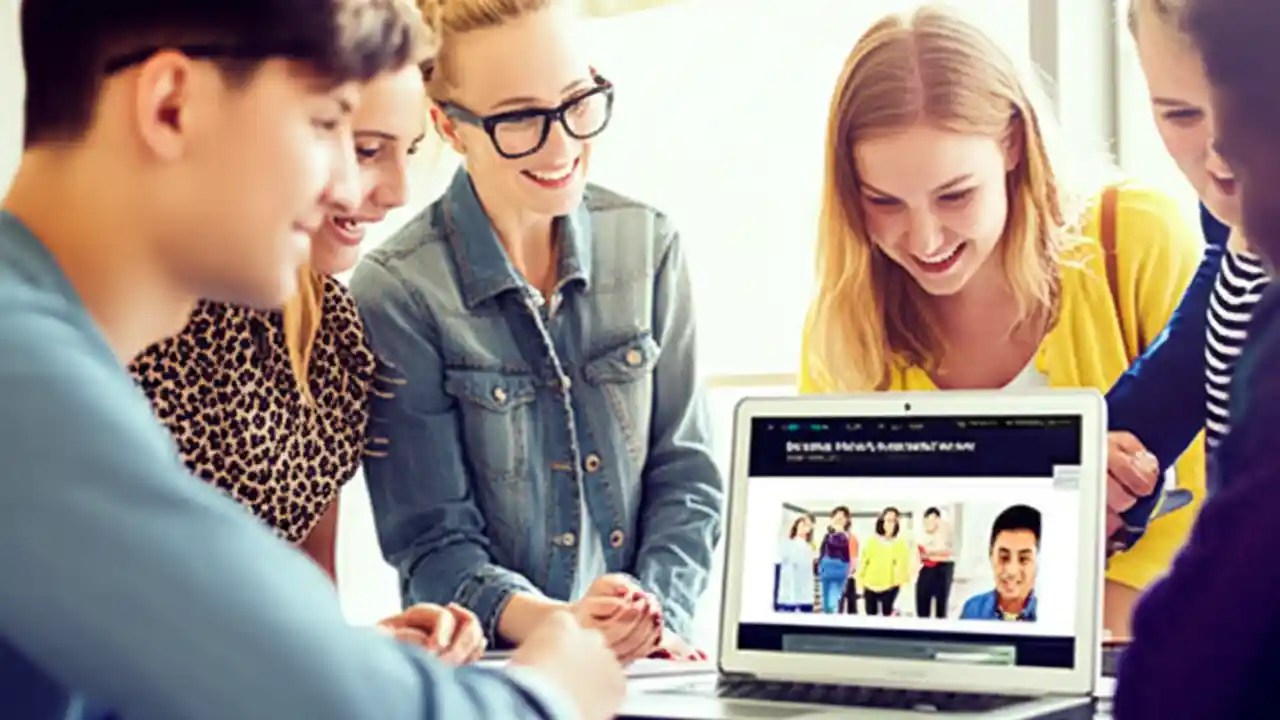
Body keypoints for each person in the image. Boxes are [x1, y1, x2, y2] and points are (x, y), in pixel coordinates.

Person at [0, 1, 625, 719]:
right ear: (172, 108)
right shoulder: (23, 386)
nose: (361, 191)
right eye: (328, 124)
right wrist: (547, 690)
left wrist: (335, 657)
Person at [797, 4, 1204, 636]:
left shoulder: (1138, 238)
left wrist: (1058, 642)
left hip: (1148, 654)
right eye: (884, 203)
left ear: (1014, 143)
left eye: (955, 195)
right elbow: (853, 518)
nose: (925, 239)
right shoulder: (847, 322)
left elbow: (1216, 490)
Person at [350, 0, 723, 663]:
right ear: (449, 126)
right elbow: (433, 543)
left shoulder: (650, 246)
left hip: (658, 663)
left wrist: (650, 614)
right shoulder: (398, 293)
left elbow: (687, 477)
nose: (562, 146)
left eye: (578, 100)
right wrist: (564, 626)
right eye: (520, 118)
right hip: (505, 672)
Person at [124, 4, 484, 661]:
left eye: (406, 152)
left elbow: (304, 607)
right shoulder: (124, 315)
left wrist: (359, 651)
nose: (397, 192)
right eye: (364, 148)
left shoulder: (336, 337)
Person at [1115, 0, 1280, 715]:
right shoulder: (1235, 224)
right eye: (1179, 115)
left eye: (1246, 113)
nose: (1217, 157)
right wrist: (1095, 463)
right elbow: (1180, 371)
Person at [960, 505, 1040, 622]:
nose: (1011, 571)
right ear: (991, 555)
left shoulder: (1050, 614)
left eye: (1023, 559)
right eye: (1004, 557)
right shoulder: (973, 610)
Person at [857, 506, 910, 616]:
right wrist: (860, 584)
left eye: (894, 521)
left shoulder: (900, 544)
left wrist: (898, 587)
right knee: (871, 620)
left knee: (887, 621)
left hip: (889, 588)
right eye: (888, 520)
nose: (890, 524)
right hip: (869, 586)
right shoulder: (871, 541)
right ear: (882, 522)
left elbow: (902, 568)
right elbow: (862, 563)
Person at [915, 507, 955, 619]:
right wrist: (929, 554)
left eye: (933, 519)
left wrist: (929, 553)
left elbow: (946, 552)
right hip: (927, 568)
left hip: (943, 567)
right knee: (922, 604)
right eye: (927, 520)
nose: (929, 523)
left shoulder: (945, 529)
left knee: (941, 607)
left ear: (938, 519)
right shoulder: (922, 533)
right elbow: (920, 554)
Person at [816, 506, 856, 614]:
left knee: (834, 605)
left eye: (842, 517)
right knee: (826, 607)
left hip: (840, 574)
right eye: (836, 516)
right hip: (825, 573)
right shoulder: (827, 535)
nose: (838, 518)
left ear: (847, 520)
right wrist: (820, 567)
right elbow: (821, 553)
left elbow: (853, 558)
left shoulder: (849, 537)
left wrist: (839, 532)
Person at [776, 514, 816, 612]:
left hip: (805, 593)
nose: (803, 527)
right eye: (801, 524)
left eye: (807, 525)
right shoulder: (787, 543)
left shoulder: (810, 548)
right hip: (790, 592)